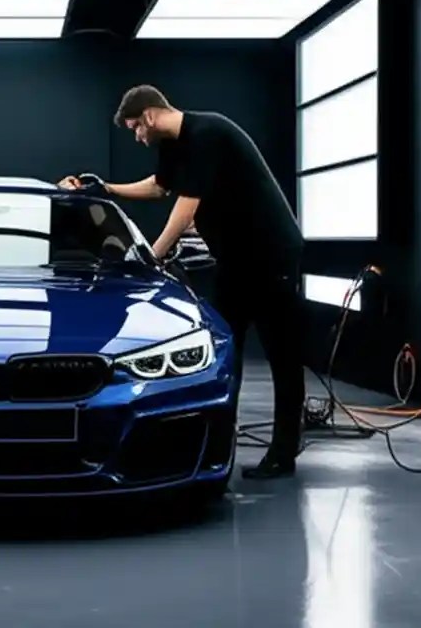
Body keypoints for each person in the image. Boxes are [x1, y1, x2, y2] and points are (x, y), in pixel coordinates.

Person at [59, 85, 305, 479]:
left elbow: (186, 204)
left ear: (151, 116)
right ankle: (220, 443)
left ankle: (284, 452)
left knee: (283, 356)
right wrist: (105, 189)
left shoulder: (208, 134)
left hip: (270, 254)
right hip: (236, 261)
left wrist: (150, 257)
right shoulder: (176, 146)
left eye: (136, 128)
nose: (138, 137)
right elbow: (159, 185)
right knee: (226, 350)